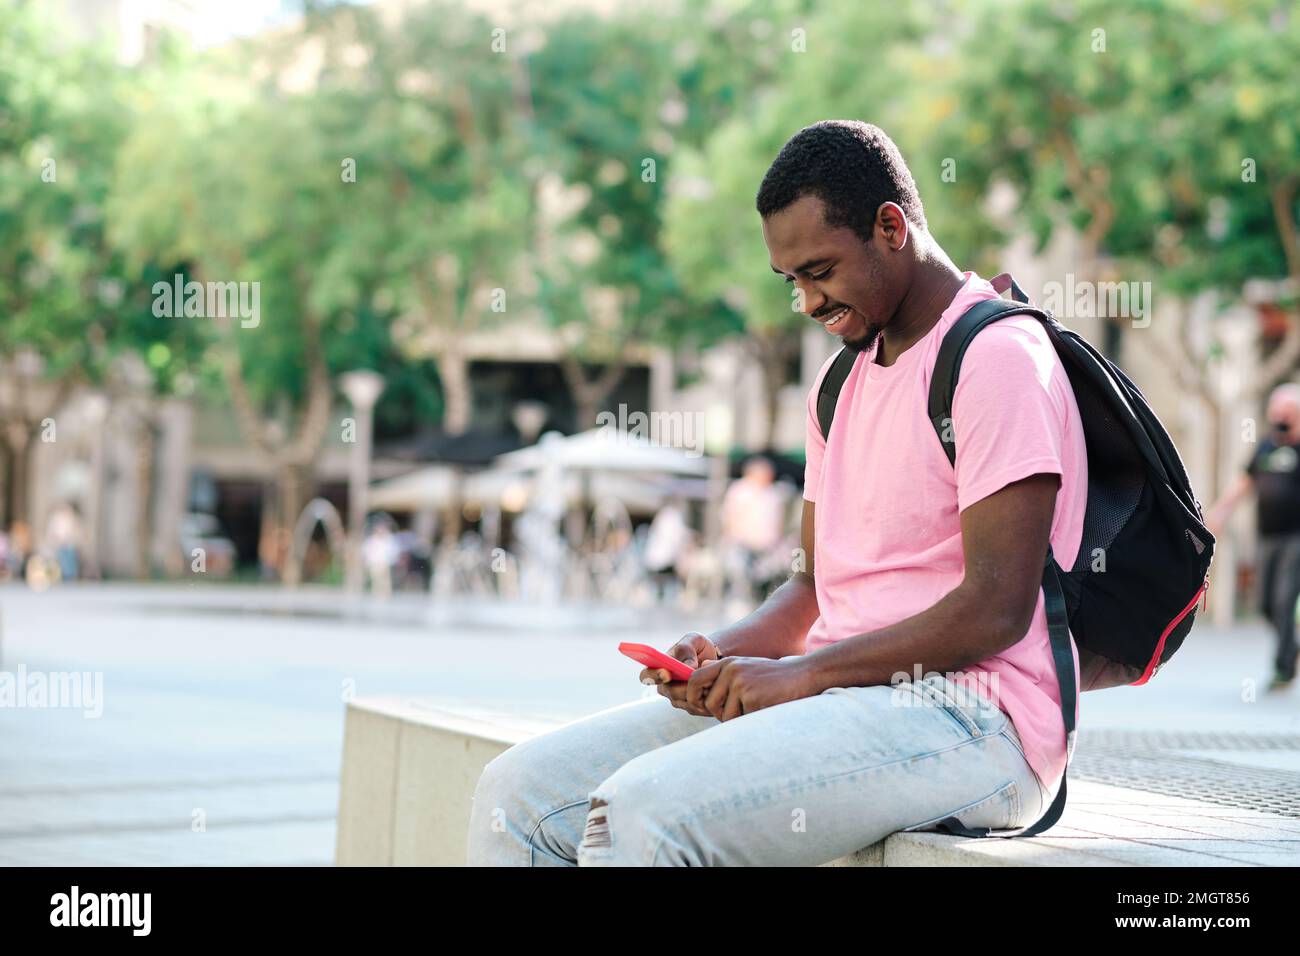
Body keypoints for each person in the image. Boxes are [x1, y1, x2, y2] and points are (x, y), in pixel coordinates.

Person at [467, 120, 1086, 866]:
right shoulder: (838, 383)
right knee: (516, 793)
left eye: (819, 270)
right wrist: (723, 655)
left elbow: (996, 607)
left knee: (650, 813)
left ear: (890, 227)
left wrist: (800, 676)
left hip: (978, 723)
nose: (806, 302)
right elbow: (813, 589)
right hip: (846, 700)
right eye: (790, 280)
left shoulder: (995, 357)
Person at [1205, 382, 1300, 691]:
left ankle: (1282, 669)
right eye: (1276, 411)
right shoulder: (1265, 447)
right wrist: (1217, 515)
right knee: (1266, 604)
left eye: (1287, 411)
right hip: (1267, 536)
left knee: (1285, 600)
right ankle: (1292, 644)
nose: (1280, 416)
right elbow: (1243, 484)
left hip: (1295, 537)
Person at [720, 456, 786, 602]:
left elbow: (778, 520)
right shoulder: (740, 490)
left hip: (767, 545)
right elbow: (729, 516)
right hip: (743, 542)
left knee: (764, 579)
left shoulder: (773, 493)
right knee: (741, 579)